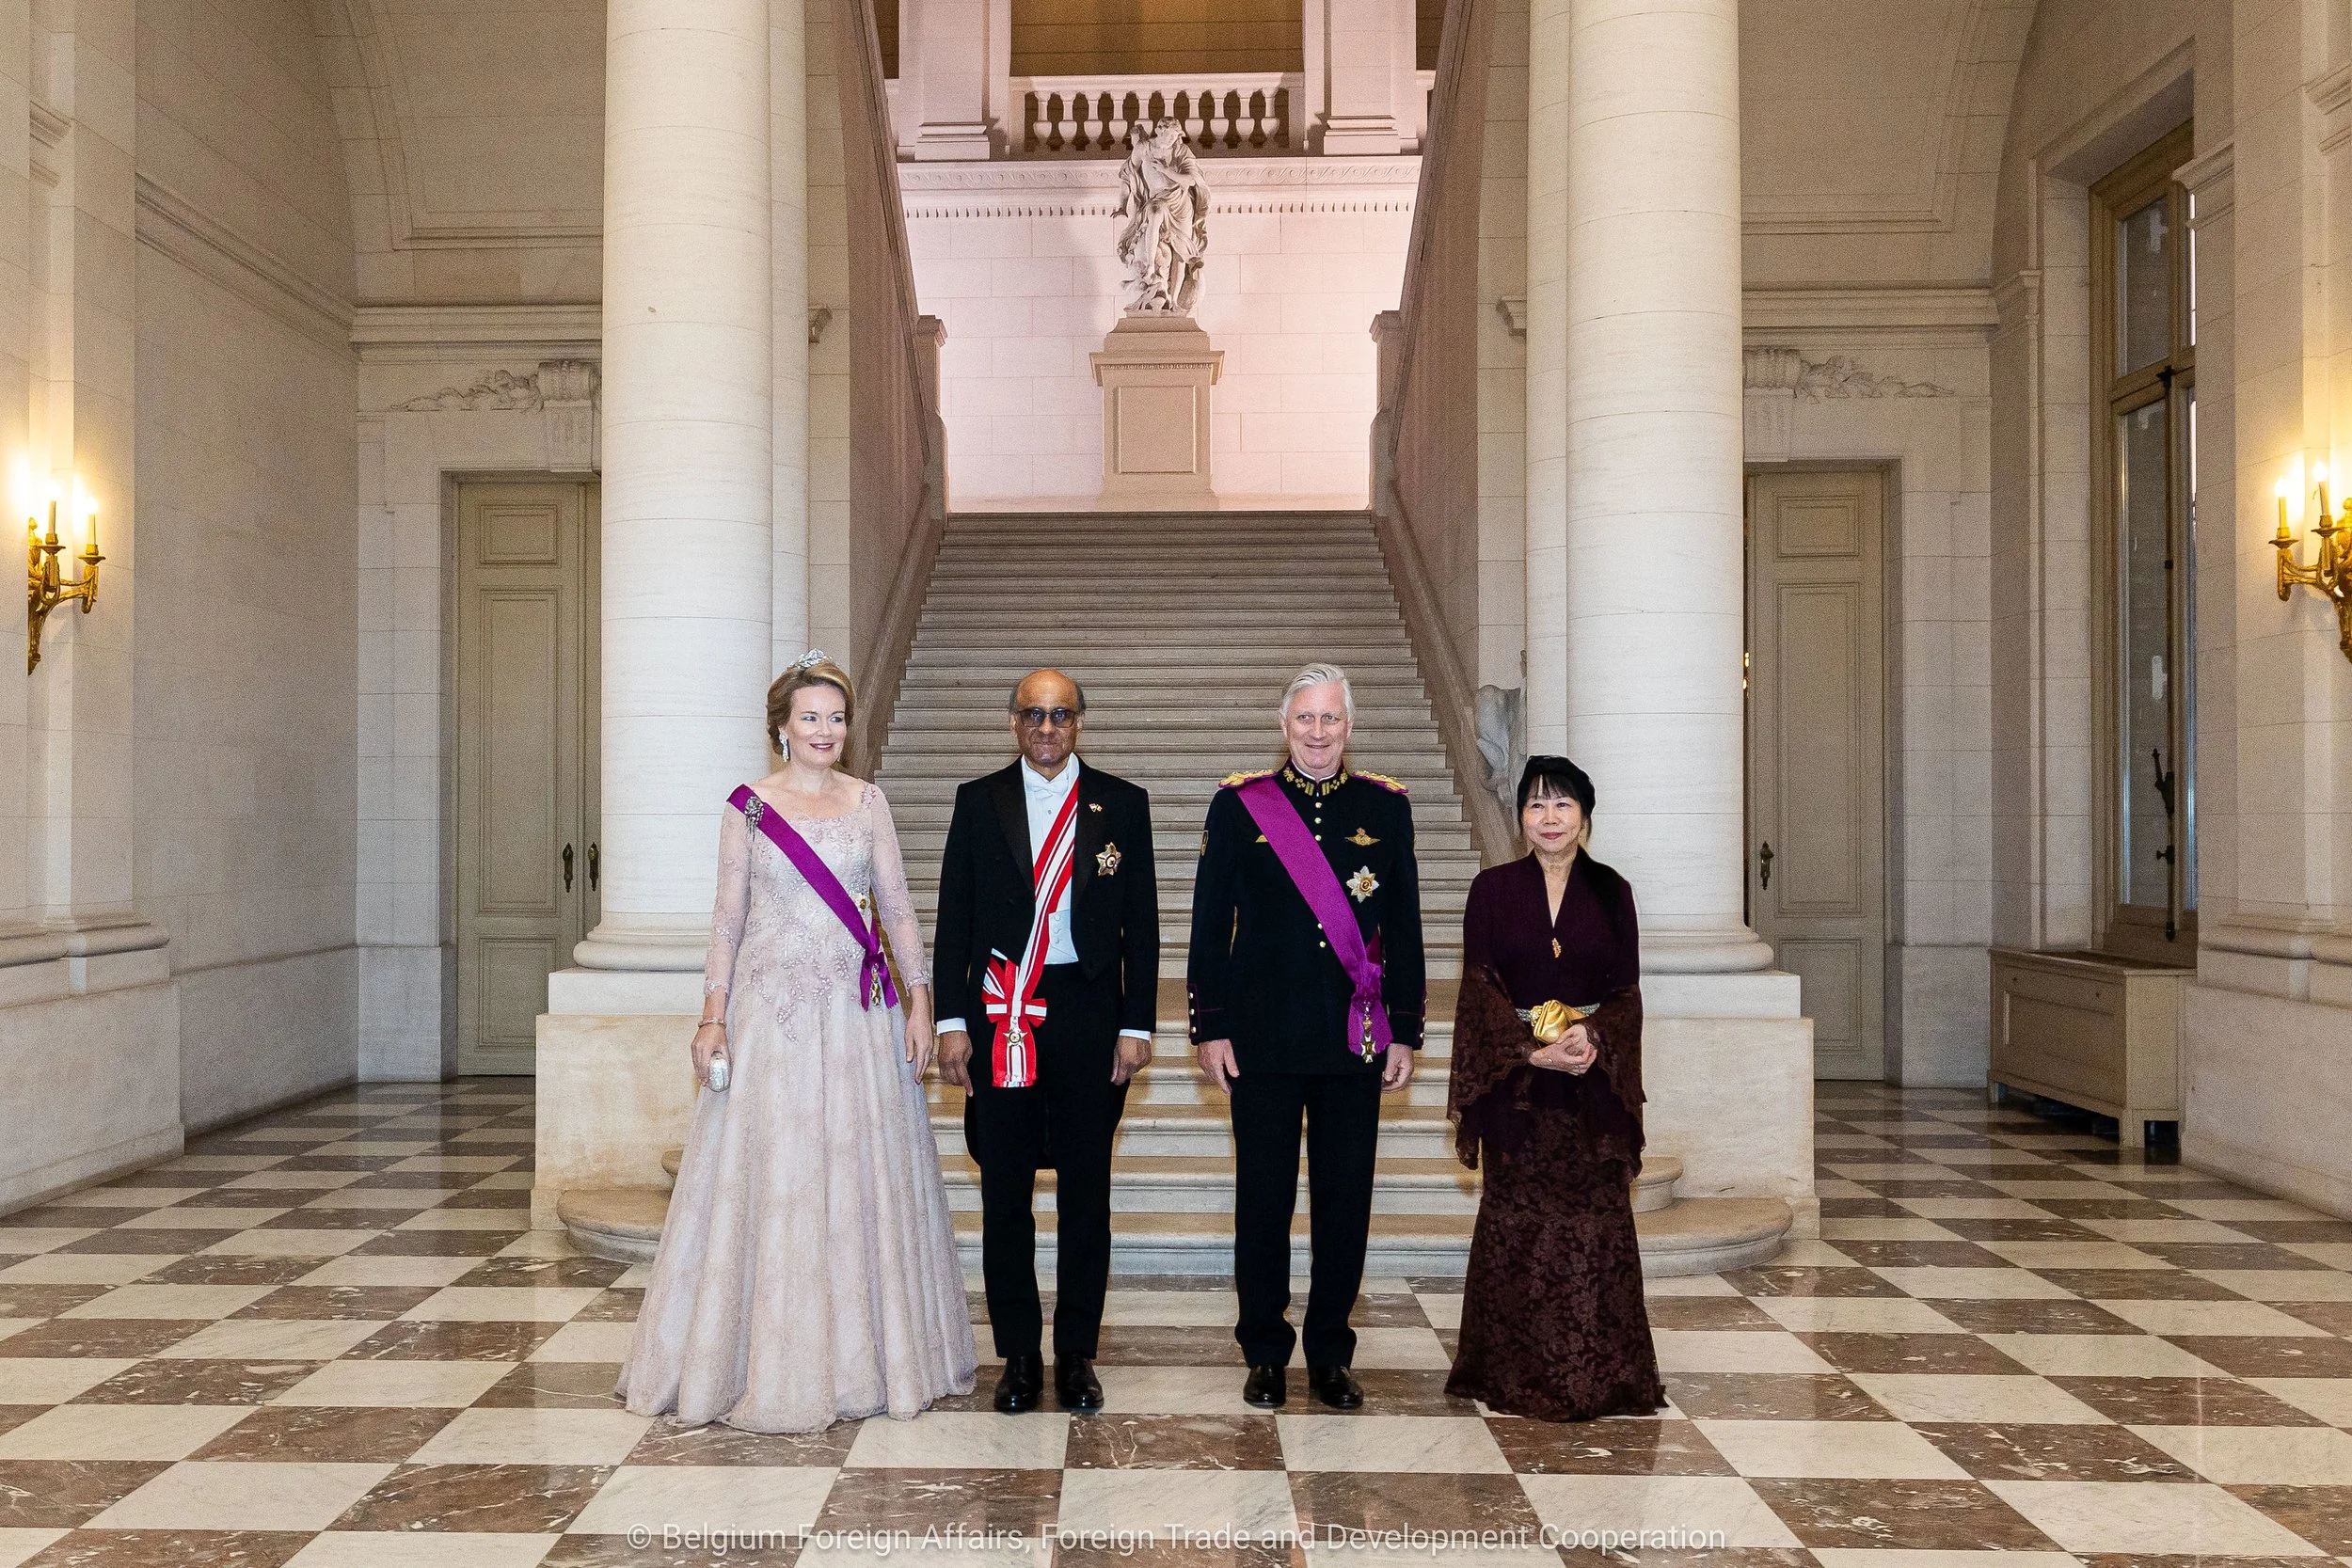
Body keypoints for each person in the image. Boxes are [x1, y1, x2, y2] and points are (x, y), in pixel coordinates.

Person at [614, 654, 976, 1432]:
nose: (824, 731)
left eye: (836, 718)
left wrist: (922, 998)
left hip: (856, 1017)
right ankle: (750, 1361)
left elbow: (901, 909)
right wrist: (712, 1015)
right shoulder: (747, 808)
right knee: (775, 1179)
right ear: (781, 726)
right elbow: (727, 918)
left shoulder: (869, 802)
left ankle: (863, 1362)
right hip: (771, 1016)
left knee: (854, 1178)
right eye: (810, 717)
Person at [1187, 662, 1423, 1411]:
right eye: (1304, 720)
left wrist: (1407, 1030)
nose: (1317, 733)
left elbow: (1408, 929)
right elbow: (1207, 927)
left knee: (1344, 1200)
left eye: (1330, 720)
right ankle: (1263, 1349)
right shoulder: (1239, 806)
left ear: (1349, 727)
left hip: (1352, 1039)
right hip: (1259, 1039)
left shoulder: (1384, 809)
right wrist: (1209, 1027)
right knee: (1262, 1198)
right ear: (1283, 726)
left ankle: (1329, 1351)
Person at [933, 669, 1160, 1414]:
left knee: (1086, 1192)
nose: (1047, 727)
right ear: (1012, 722)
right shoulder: (977, 802)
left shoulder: (1123, 804)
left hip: (1090, 1011)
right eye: (1033, 714)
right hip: (1001, 1007)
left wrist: (1135, 1024)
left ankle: (1076, 1353)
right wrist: (950, 1022)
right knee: (1006, 1192)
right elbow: (955, 921)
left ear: (1081, 723)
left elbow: (1144, 925)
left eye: (1060, 714)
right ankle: (1020, 1356)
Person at [1444, 754, 1665, 1421]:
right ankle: (1512, 1374)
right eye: (1536, 805)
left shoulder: (1613, 891)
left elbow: (1627, 993)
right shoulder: (1491, 889)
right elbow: (1477, 988)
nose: (1549, 818)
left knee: (1594, 1227)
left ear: (1585, 816)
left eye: (1562, 804)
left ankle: (1603, 1376)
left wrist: (1590, 1041)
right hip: (1518, 1089)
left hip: (1590, 1089)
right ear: (1520, 819)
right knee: (1519, 1225)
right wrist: (1527, 1051)